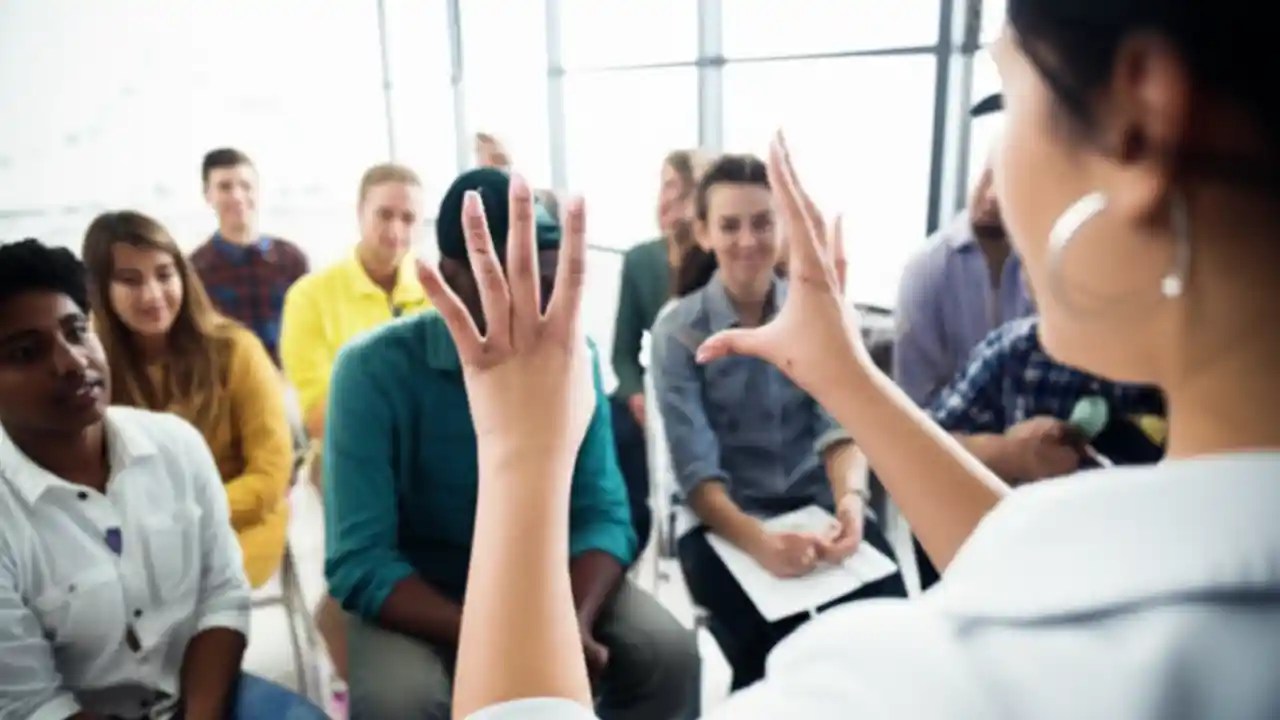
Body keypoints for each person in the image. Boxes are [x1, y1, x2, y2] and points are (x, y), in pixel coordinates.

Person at [434, 0, 1280, 714]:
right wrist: (847, 379)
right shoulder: (1155, 580)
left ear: (1139, 124)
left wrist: (520, 455)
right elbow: (1043, 559)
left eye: (1007, 96)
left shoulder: (891, 682)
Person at [323, 168, 699, 719]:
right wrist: (488, 638)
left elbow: (604, 516)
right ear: (451, 278)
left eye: (547, 282)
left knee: (669, 654)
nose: (537, 306)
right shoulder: (370, 371)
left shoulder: (574, 356)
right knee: (400, 702)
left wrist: (569, 623)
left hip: (553, 577)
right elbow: (361, 559)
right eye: (509, 282)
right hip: (426, 590)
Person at [0, 239, 326, 719]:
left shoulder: (174, 445)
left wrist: (199, 715)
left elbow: (221, 595)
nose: (71, 361)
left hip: (198, 699)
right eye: (27, 352)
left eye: (75, 331)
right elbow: (32, 703)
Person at [650, 154, 905, 690]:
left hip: (814, 504)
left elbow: (840, 427)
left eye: (763, 222)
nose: (748, 240)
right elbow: (698, 475)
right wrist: (759, 542)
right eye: (730, 225)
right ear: (703, 233)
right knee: (772, 654)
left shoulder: (819, 312)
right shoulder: (678, 331)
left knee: (889, 624)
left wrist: (852, 507)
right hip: (723, 522)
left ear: (784, 227)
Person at [80, 211, 294, 590]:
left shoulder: (236, 349)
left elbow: (270, 476)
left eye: (164, 274)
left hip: (241, 524)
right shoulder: (93, 369)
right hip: (140, 540)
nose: (153, 295)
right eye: (130, 280)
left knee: (178, 597)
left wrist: (180, 519)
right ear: (100, 290)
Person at [280, 162, 432, 442]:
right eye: (384, 215)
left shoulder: (439, 295)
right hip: (348, 458)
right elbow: (318, 417)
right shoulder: (308, 297)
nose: (395, 229)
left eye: (408, 218)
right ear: (360, 213)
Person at [893, 112, 1035, 407]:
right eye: (988, 174)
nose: (993, 195)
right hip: (943, 440)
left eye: (1011, 179)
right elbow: (912, 407)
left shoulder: (1048, 271)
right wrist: (1001, 449)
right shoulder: (928, 268)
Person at [935, 315, 1166, 485]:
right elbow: (926, 454)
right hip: (1034, 540)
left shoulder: (1179, 356)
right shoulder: (1016, 353)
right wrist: (1011, 454)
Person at [609, 149, 703, 551]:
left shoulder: (719, 261)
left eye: (679, 190)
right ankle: (629, 532)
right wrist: (634, 394)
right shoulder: (640, 260)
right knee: (611, 425)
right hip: (653, 390)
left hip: (703, 387)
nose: (666, 199)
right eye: (664, 186)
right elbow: (622, 354)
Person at [190, 148, 309, 366]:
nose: (237, 196)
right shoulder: (194, 270)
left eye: (246, 186)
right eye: (225, 187)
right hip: (230, 388)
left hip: (290, 383)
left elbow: (311, 328)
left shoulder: (292, 260)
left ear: (258, 191)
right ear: (208, 195)